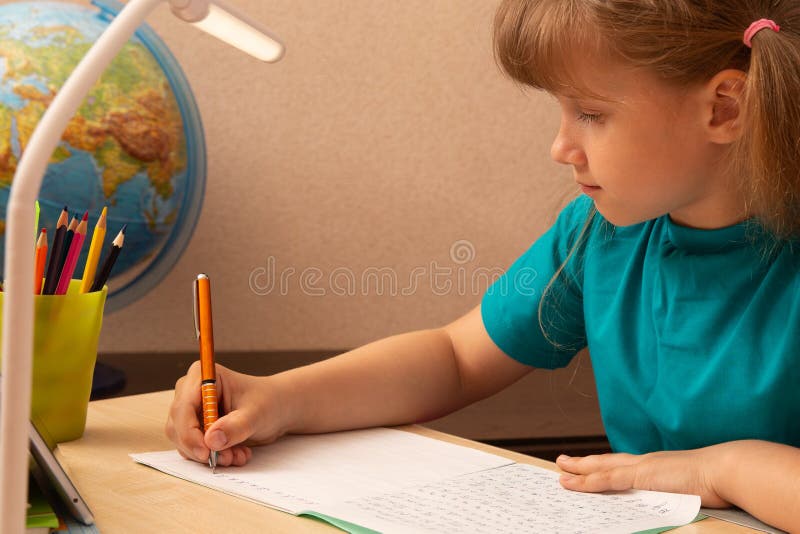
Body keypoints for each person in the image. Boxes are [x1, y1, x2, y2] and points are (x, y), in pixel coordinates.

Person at [166, 0, 800, 530]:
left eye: (591, 114)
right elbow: (454, 356)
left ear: (724, 109)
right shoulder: (598, 235)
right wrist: (279, 398)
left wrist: (719, 468)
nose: (560, 147)